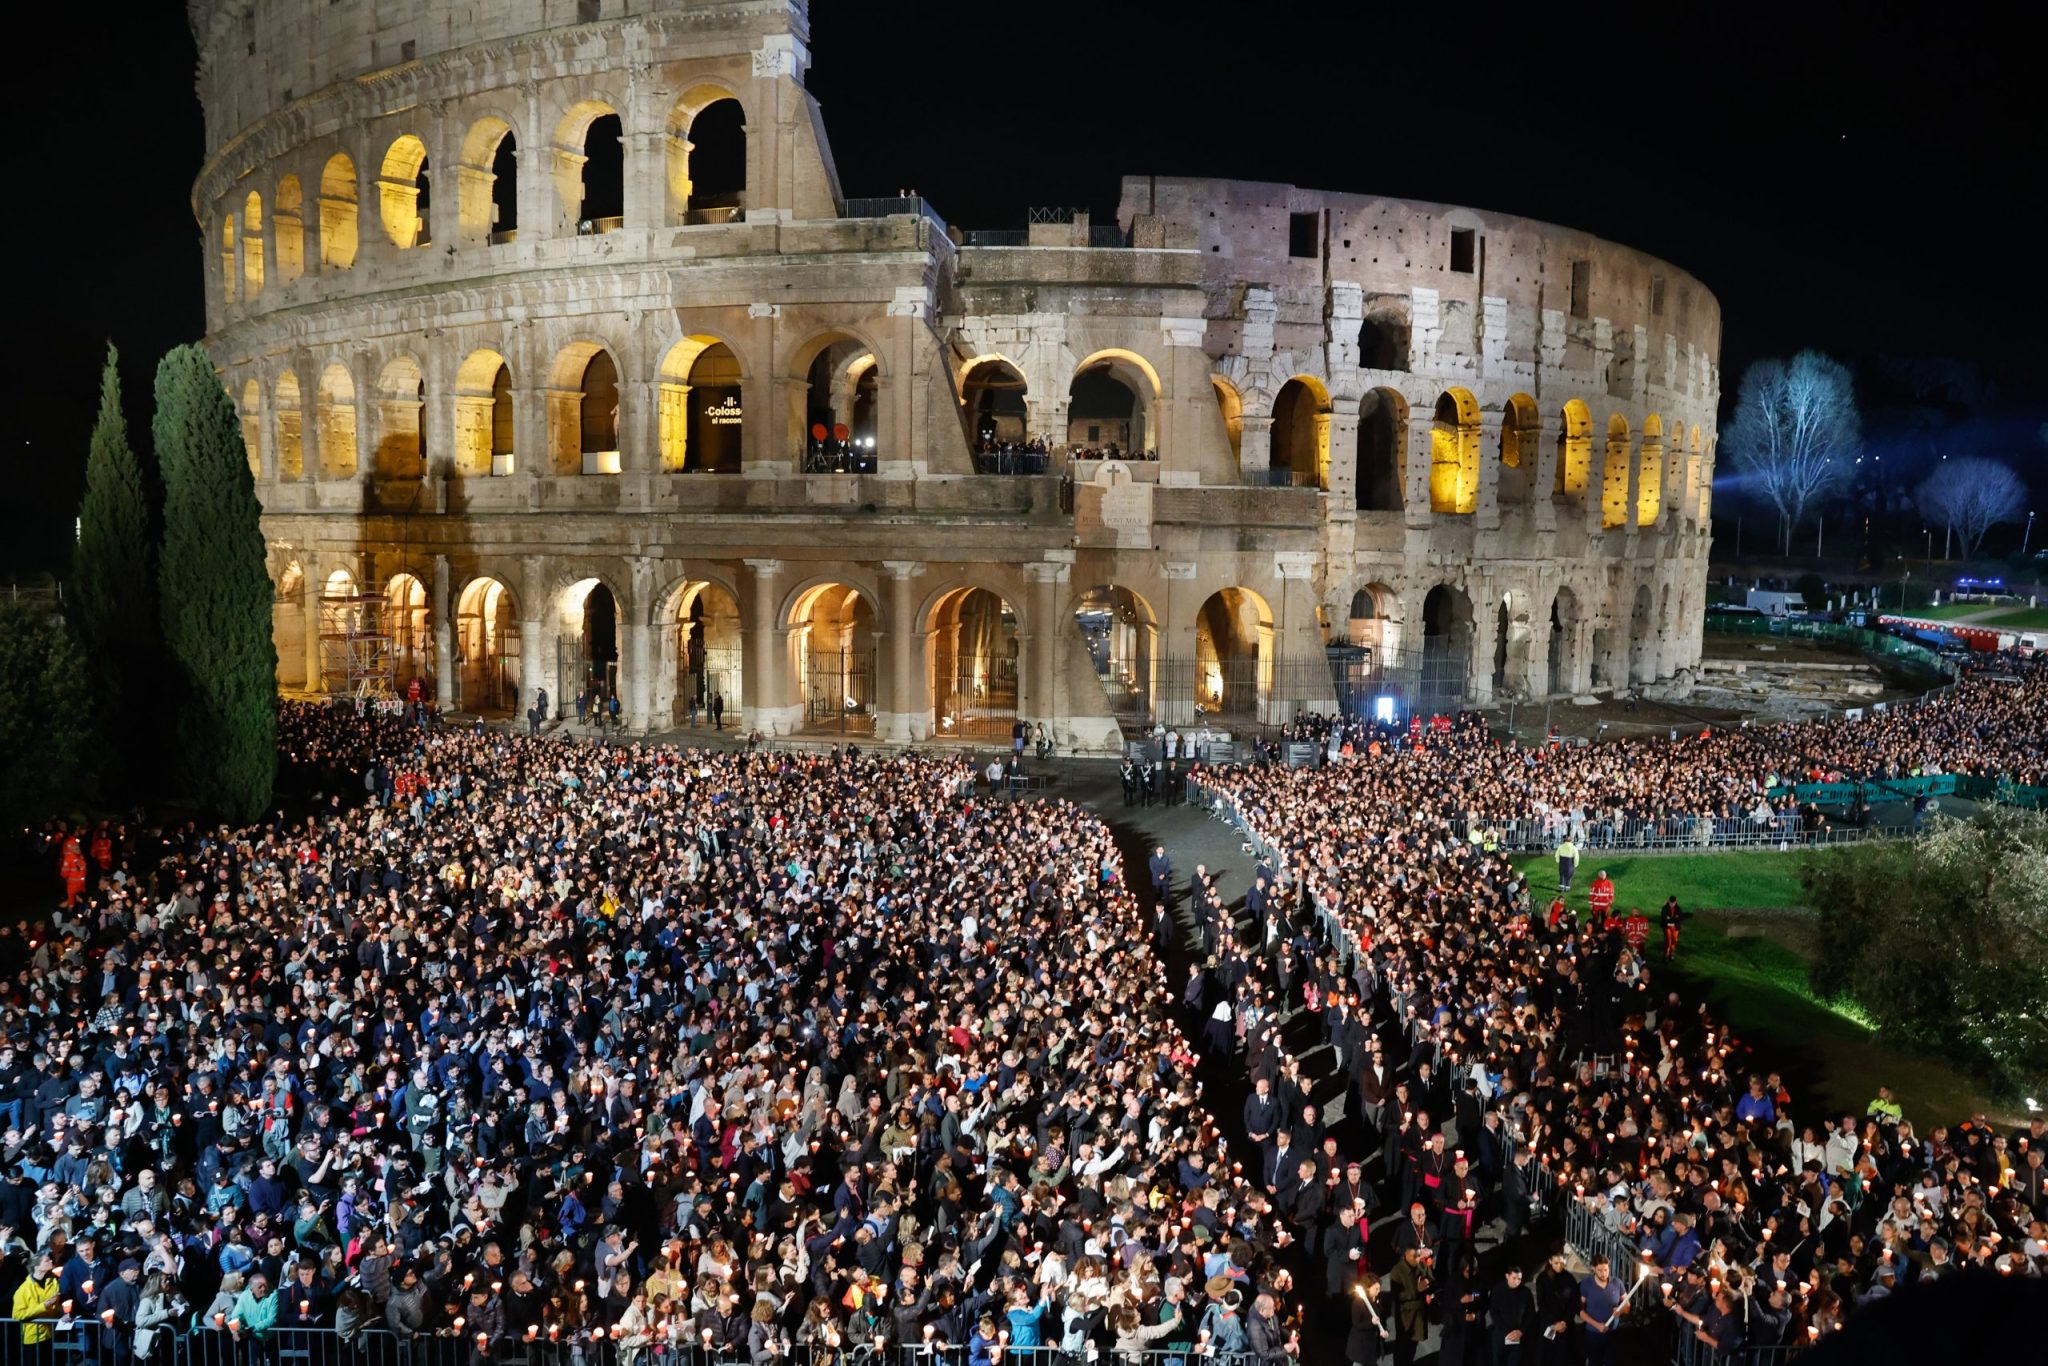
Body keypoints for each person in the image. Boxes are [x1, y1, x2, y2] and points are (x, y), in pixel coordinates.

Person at [1576, 1255, 1623, 1366]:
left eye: (1606, 1270)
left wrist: (1620, 1310)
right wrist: (1597, 1325)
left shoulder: (1617, 1283)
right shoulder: (1586, 1284)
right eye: (1600, 1270)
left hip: (1612, 1334)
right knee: (1594, 1362)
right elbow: (1580, 1311)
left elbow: (1627, 1304)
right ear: (1593, 1268)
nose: (1604, 1273)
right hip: (1593, 1334)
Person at [1659, 895, 1686, 960]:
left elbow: (1679, 918)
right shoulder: (1665, 908)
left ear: (1676, 902)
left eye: (1673, 903)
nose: (1672, 904)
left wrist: (1670, 919)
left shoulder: (1678, 909)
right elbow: (1664, 918)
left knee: (1674, 941)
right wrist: (1673, 919)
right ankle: (1666, 955)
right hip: (1667, 927)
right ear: (1669, 901)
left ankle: (1671, 954)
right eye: (1671, 903)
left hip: (1675, 927)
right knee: (1668, 940)